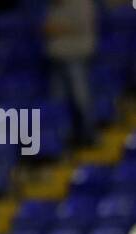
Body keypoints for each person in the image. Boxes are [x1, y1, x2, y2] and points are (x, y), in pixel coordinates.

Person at [43, 0, 97, 148]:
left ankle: (88, 135)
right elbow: (46, 26)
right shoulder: (55, 5)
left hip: (76, 56)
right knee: (58, 102)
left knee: (81, 98)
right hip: (57, 57)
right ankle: (63, 139)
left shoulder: (81, 3)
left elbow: (80, 25)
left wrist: (55, 29)